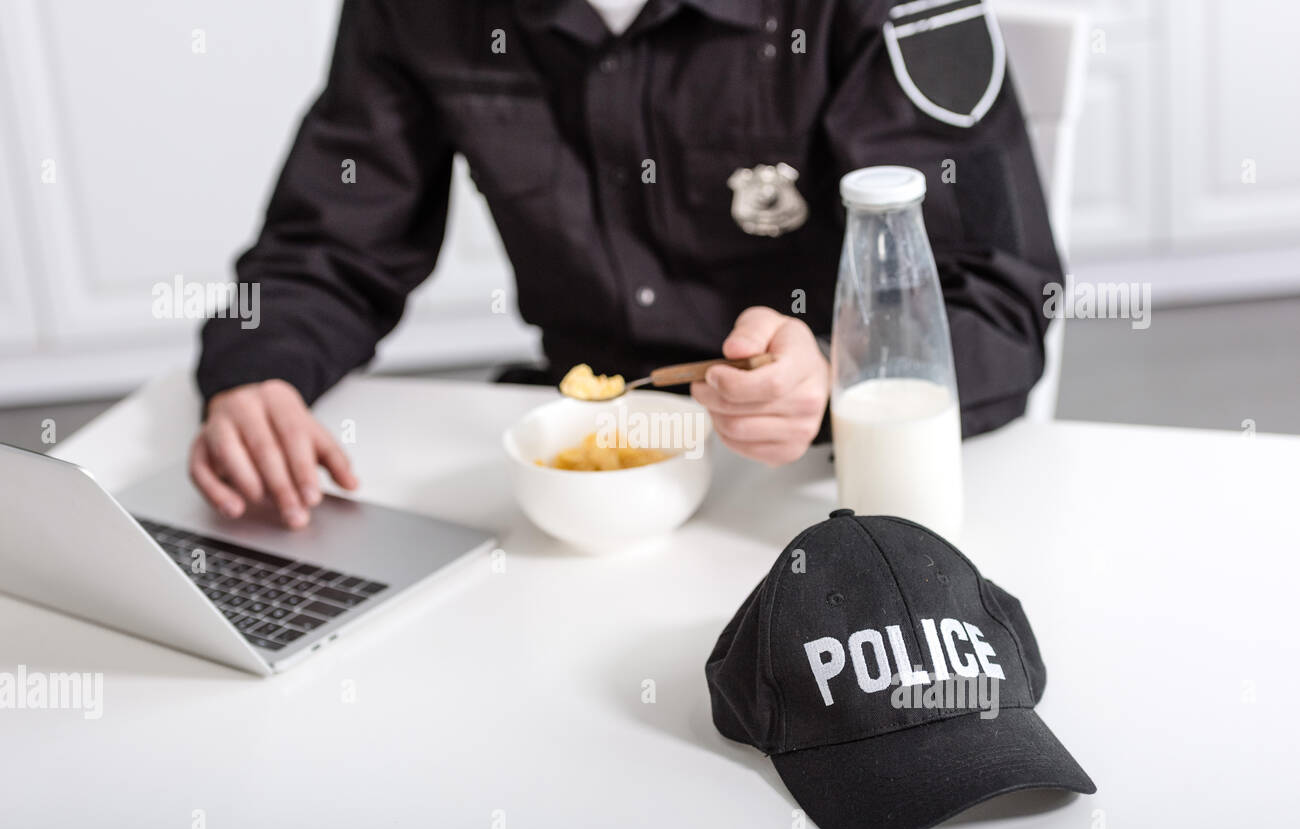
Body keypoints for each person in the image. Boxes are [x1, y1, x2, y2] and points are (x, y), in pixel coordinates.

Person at [193, 0, 1063, 527]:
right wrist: (259, 370)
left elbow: (998, 296)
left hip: (818, 490)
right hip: (585, 477)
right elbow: (330, 244)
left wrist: (837, 377)